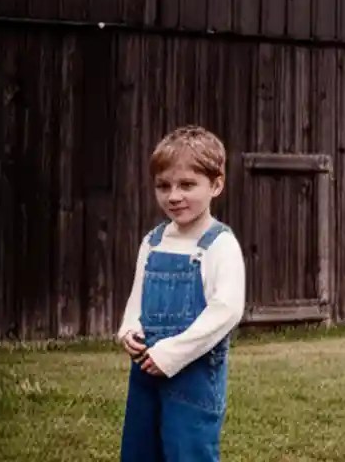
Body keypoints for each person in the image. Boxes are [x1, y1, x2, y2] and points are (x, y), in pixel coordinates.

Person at [117, 125, 247, 461]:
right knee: (140, 449)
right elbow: (137, 297)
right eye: (164, 186)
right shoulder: (154, 240)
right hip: (145, 370)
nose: (174, 196)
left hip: (194, 377)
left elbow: (226, 310)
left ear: (216, 185)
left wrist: (171, 354)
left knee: (187, 451)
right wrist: (130, 329)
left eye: (187, 185)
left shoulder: (219, 244)